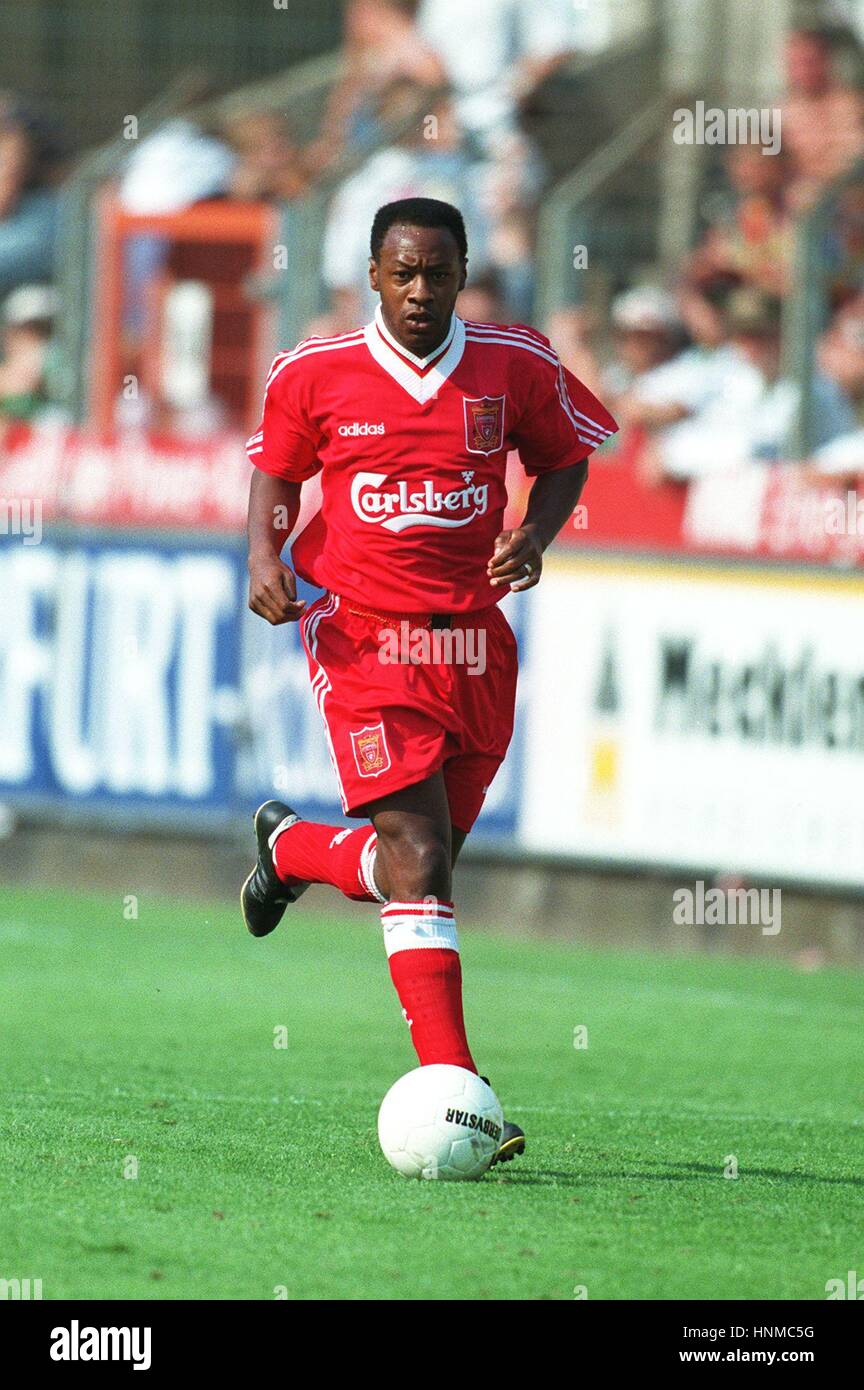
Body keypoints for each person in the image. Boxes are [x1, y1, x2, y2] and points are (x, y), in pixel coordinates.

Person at [242, 196, 617, 1164]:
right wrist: (265, 557)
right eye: (402, 273)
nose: (419, 291)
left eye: (437, 273)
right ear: (373, 275)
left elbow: (568, 458)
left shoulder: (514, 363)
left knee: (417, 863)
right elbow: (277, 476)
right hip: (363, 638)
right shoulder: (314, 373)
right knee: (419, 851)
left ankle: (292, 852)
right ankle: (463, 1090)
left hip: (474, 648)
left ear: (462, 274)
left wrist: (534, 532)